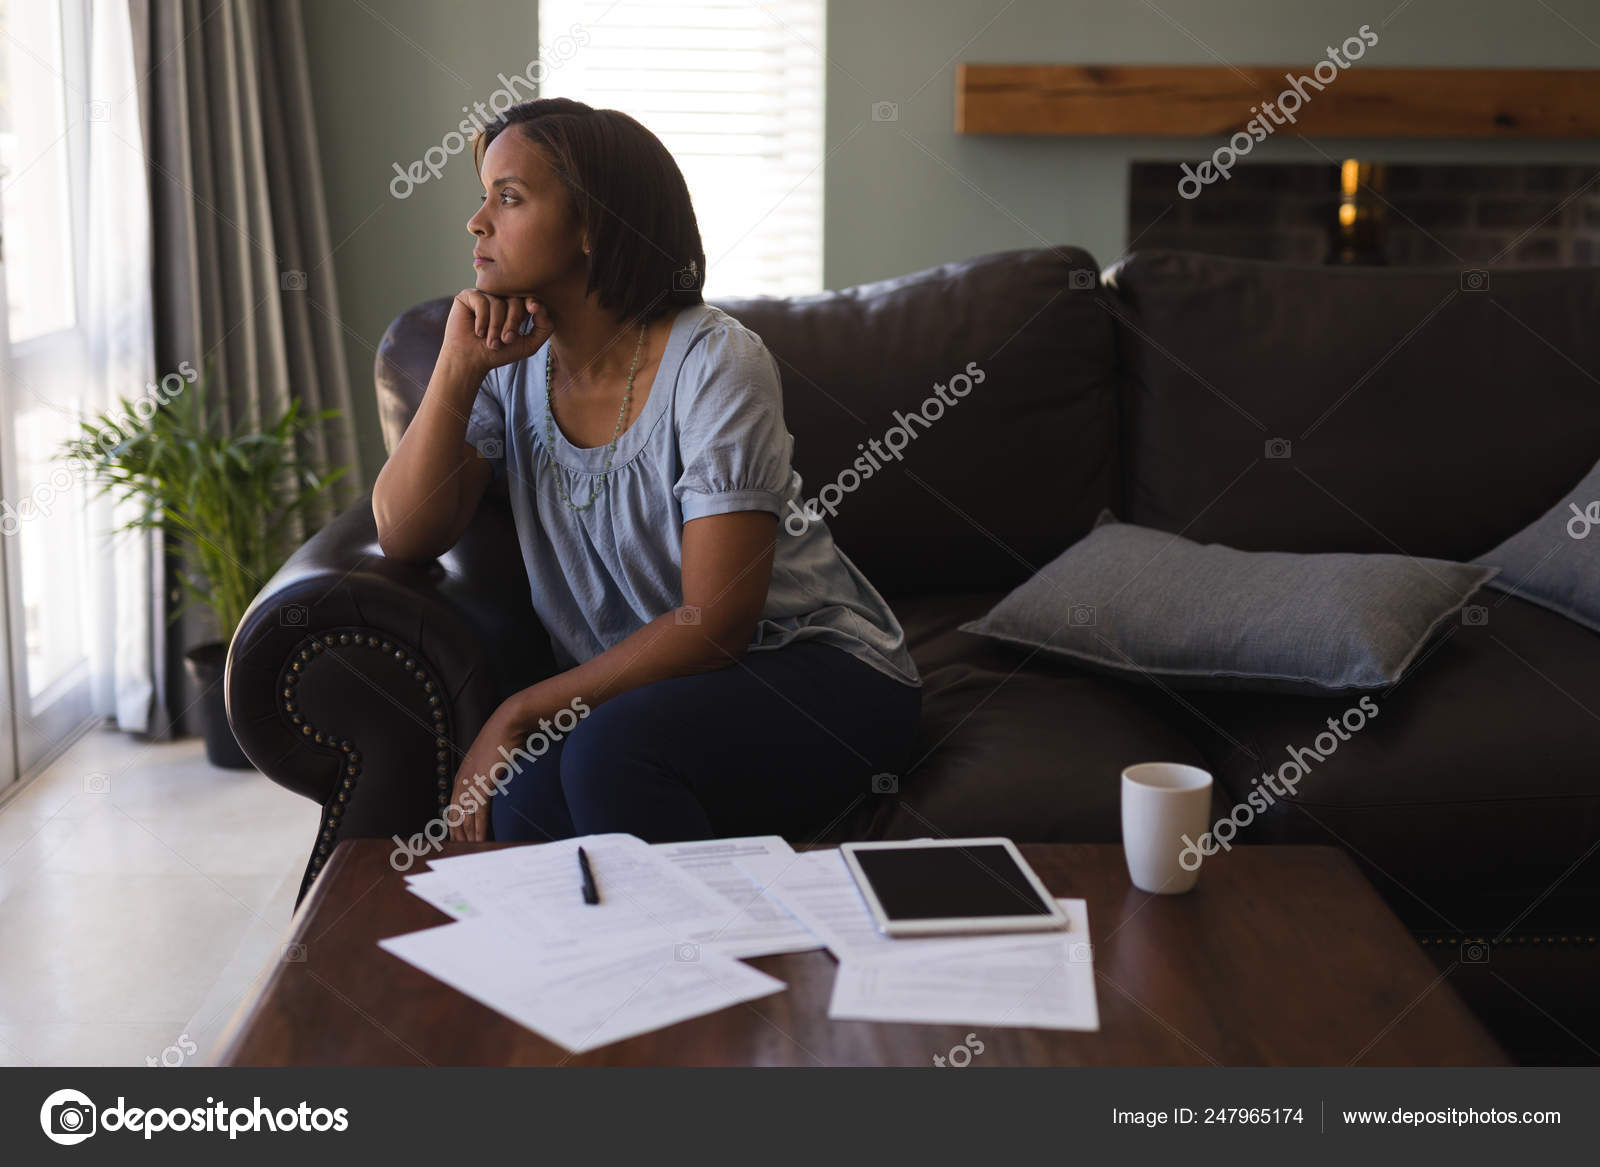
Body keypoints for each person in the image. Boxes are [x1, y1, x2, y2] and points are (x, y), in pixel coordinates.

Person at [370, 98, 921, 846]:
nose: (477, 222)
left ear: (592, 225)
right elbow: (404, 534)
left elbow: (715, 623)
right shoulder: (507, 365)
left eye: (509, 197)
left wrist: (519, 710)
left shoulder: (716, 361)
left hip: (819, 669)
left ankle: (713, 927)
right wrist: (458, 366)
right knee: (523, 804)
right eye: (484, 196)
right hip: (649, 696)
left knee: (609, 756)